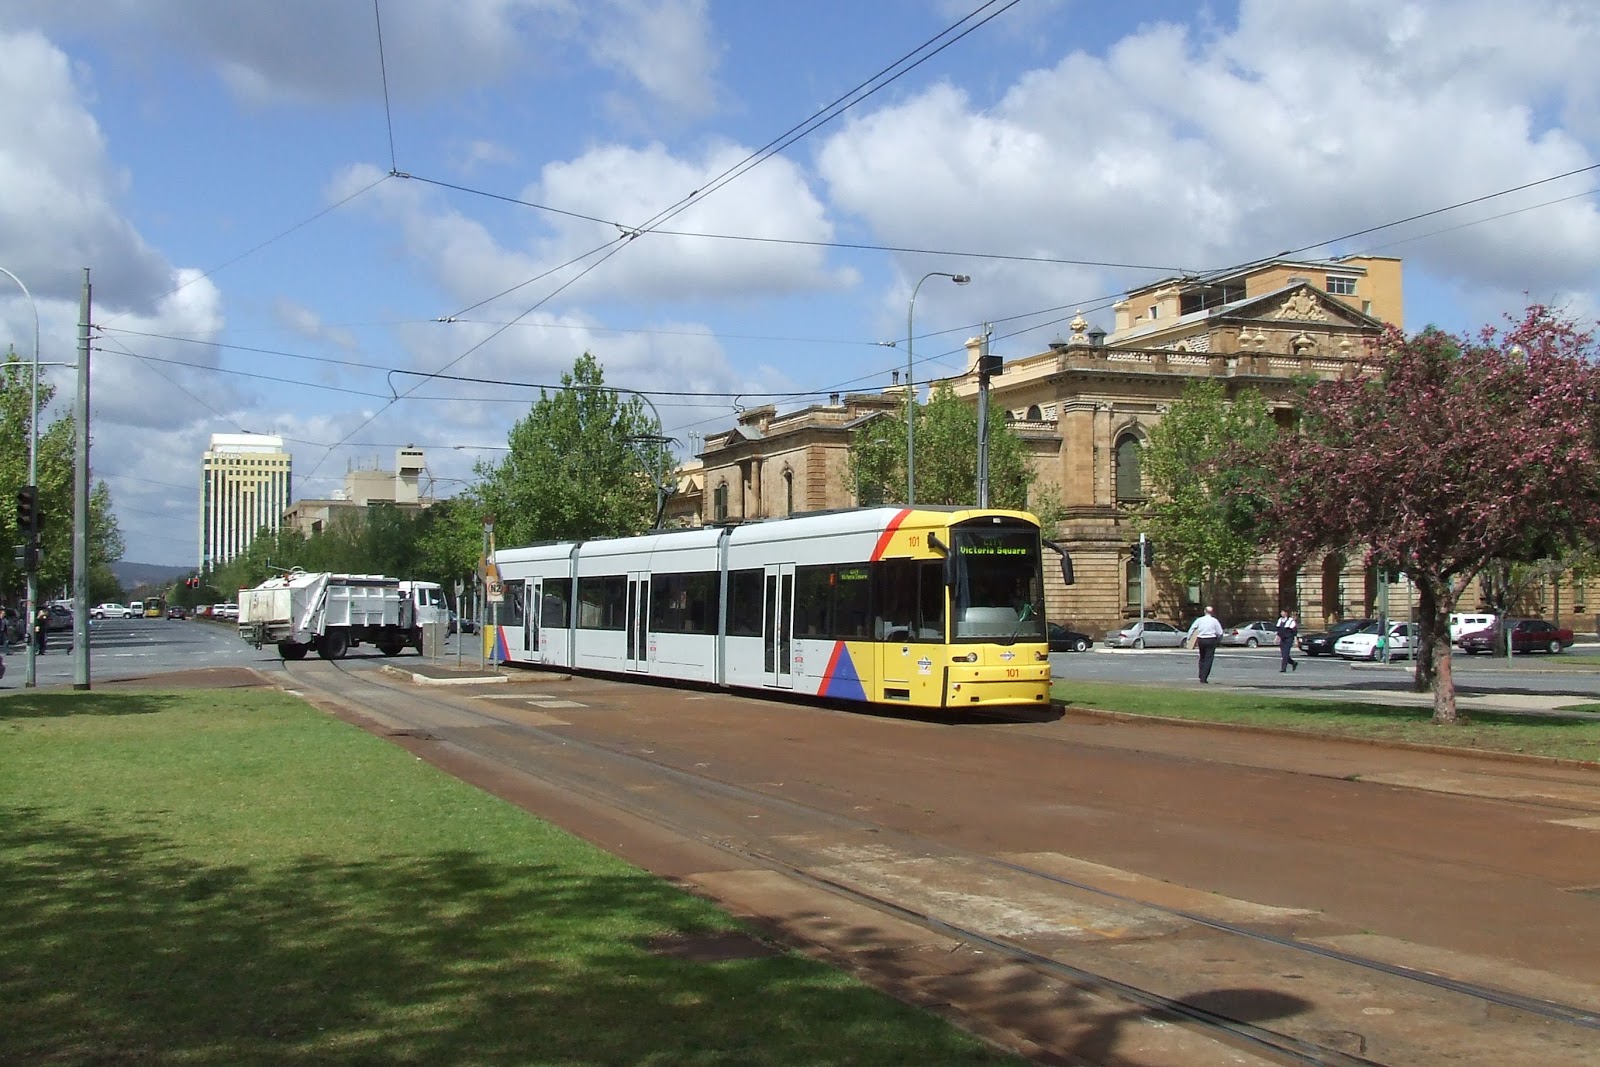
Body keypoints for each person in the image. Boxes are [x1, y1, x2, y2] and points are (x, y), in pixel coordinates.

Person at [1187, 606, 1224, 683]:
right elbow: (1220, 632)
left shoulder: (1200, 620)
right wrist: (1219, 640)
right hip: (1211, 639)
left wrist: (1189, 638)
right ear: (1212, 612)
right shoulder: (1214, 621)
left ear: (1205, 611)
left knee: (1202, 658)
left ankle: (1201, 675)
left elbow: (1192, 628)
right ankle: (1204, 677)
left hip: (1201, 639)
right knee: (1208, 659)